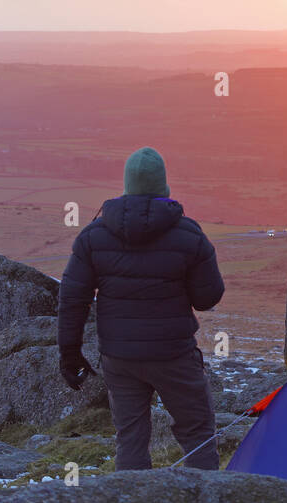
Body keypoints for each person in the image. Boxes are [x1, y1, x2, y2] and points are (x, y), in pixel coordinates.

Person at [57, 146, 224, 470]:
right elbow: (208, 297)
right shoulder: (189, 235)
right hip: (174, 355)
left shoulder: (93, 237)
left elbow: (72, 298)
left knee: (130, 438)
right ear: (163, 187)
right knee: (197, 433)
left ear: (126, 187)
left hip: (120, 358)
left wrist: (69, 353)